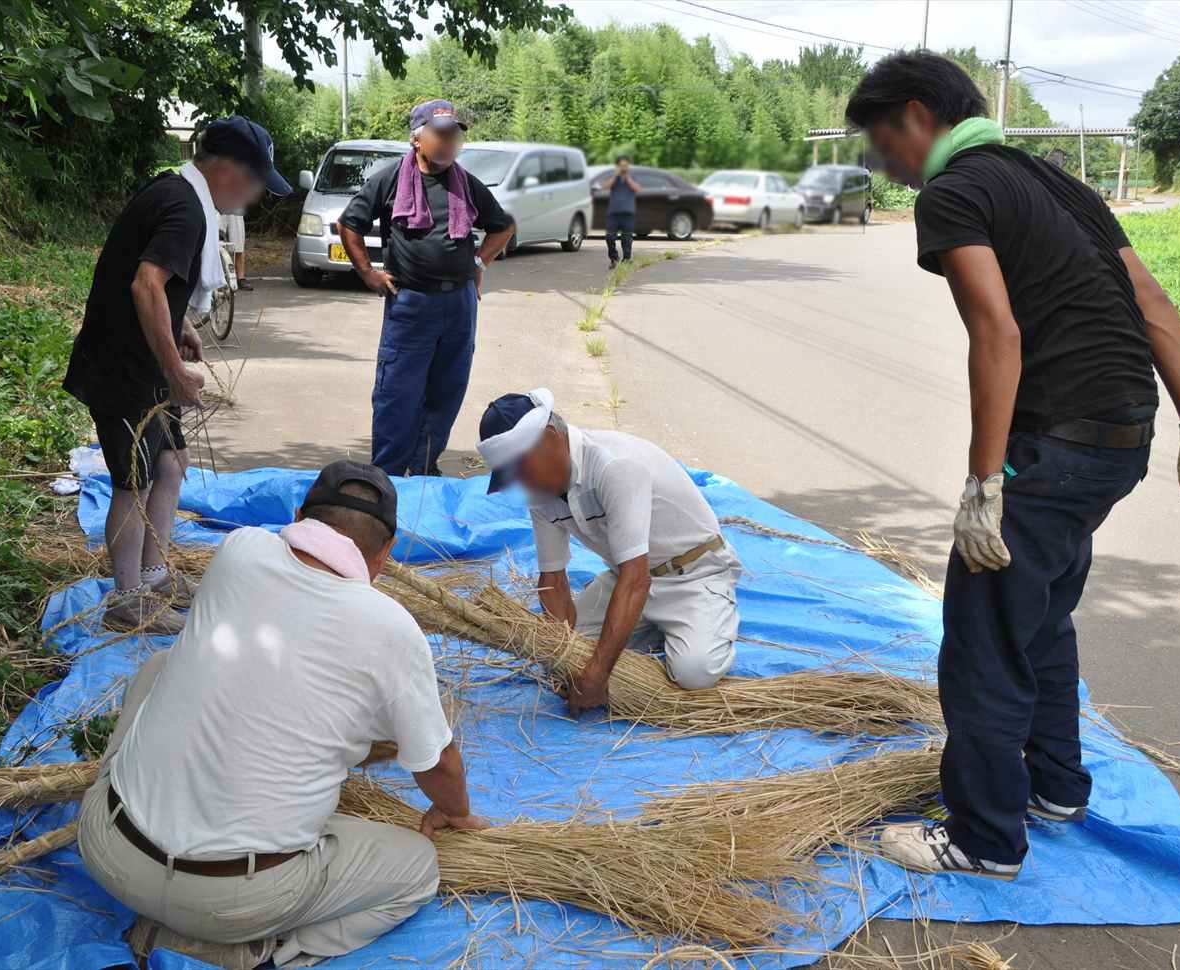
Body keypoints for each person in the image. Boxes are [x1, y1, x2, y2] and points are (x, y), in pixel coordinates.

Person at [843, 53, 1180, 880]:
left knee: (984, 640)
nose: (881, 163)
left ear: (917, 116)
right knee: (1042, 611)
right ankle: (1056, 787)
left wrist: (984, 482)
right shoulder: (1056, 182)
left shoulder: (955, 193)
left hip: (1050, 450)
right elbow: (1152, 302)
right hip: (1120, 442)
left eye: (880, 141)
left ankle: (984, 837)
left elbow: (997, 333)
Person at [77, 460, 485, 968]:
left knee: (159, 666)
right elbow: (437, 760)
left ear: (297, 516)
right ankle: (260, 950)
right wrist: (456, 809)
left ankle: (173, 911)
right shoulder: (392, 628)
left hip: (107, 851)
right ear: (386, 552)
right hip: (236, 902)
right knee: (418, 870)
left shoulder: (238, 549)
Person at [64, 116, 290, 634]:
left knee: (171, 465)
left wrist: (181, 319)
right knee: (133, 479)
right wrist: (175, 369)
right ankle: (127, 599)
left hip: (145, 361)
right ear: (230, 170)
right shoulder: (185, 208)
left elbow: (152, 282)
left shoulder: (180, 195)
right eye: (257, 183)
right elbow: (145, 285)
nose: (255, 197)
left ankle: (155, 574)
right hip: (123, 364)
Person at [475, 389, 741, 709]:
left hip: (690, 576)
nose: (524, 486)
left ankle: (700, 618)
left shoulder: (615, 467)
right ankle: (647, 630)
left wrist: (597, 675)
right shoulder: (539, 491)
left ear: (549, 439)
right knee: (557, 653)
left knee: (694, 672)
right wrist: (562, 658)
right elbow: (553, 581)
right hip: (624, 579)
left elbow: (637, 580)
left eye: (523, 472)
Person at [336, 99, 516, 479]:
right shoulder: (389, 179)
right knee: (397, 395)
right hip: (411, 304)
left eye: (456, 135)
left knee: (446, 394)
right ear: (419, 140)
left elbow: (504, 226)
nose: (451, 142)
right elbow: (349, 223)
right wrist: (367, 272)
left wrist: (479, 262)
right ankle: (384, 478)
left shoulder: (466, 183)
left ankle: (422, 470)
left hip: (460, 305)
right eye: (442, 134)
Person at [603, 155, 640, 269]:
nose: (624, 168)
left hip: (628, 212)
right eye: (621, 165)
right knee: (609, 237)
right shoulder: (613, 176)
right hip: (613, 212)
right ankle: (614, 258)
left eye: (625, 165)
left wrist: (627, 178)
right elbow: (605, 186)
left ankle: (626, 259)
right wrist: (615, 175)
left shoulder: (633, 176)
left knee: (627, 238)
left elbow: (637, 189)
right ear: (618, 166)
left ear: (628, 166)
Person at [219, 207, 251, 289]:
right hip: (216, 201)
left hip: (235, 201)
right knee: (215, 240)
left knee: (238, 241)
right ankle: (216, 276)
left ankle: (241, 278)